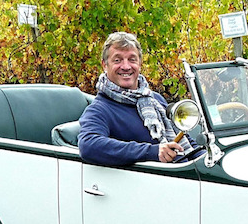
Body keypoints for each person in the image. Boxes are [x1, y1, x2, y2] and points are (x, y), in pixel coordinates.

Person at [78, 32, 190, 166]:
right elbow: (88, 145)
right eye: (117, 60)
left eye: (132, 59)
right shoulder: (100, 109)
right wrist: (152, 152)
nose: (126, 67)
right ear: (104, 65)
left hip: (182, 173)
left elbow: (186, 140)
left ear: (140, 63)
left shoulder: (155, 100)